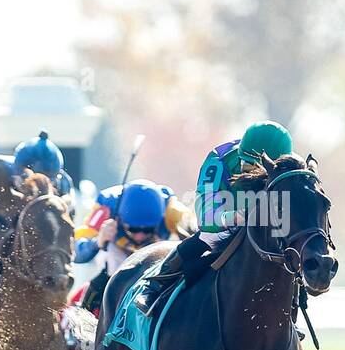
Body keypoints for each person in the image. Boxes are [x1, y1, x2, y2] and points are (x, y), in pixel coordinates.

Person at [137, 120, 293, 306]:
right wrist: (237, 216)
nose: (247, 170)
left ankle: (295, 301)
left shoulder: (289, 168)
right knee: (210, 235)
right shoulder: (218, 162)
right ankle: (157, 284)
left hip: (261, 214)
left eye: (255, 168)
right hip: (225, 210)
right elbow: (207, 218)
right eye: (245, 163)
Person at [75, 179, 187, 311]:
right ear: (119, 218)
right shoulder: (107, 207)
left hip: (157, 257)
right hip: (117, 260)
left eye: (147, 230)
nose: (140, 235)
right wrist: (97, 241)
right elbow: (76, 252)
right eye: (133, 229)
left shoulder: (172, 211)